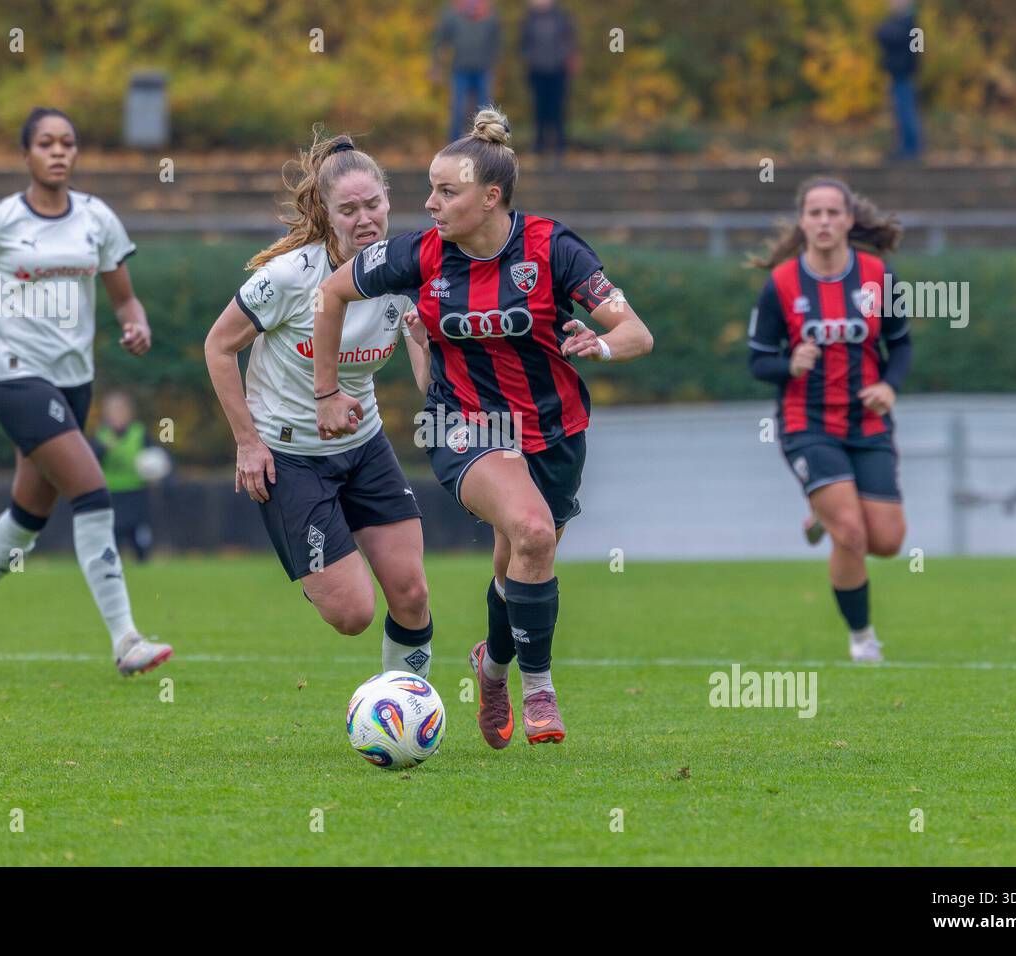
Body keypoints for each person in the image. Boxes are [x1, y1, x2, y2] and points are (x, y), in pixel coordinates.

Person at [312, 108, 654, 747]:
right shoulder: (419, 253)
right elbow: (331, 295)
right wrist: (326, 392)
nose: (429, 203)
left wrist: (601, 346)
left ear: (490, 196)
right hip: (462, 424)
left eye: (447, 191)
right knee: (530, 531)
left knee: (520, 560)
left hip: (554, 431)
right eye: (429, 189)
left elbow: (637, 331)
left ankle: (491, 669)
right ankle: (541, 691)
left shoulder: (553, 248)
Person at [0, 108, 172, 677]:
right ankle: (125, 639)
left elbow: (124, 299)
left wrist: (137, 323)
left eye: (68, 142)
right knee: (91, 492)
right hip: (15, 378)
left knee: (29, 516)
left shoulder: (97, 219)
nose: (58, 151)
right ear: (27, 154)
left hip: (73, 382)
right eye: (46, 143)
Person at [204, 128, 436, 678]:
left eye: (373, 204)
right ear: (327, 214)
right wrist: (246, 442)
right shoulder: (289, 277)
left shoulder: (409, 272)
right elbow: (218, 346)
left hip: (364, 445)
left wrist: (426, 344)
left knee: (411, 592)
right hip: (290, 457)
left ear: (388, 202)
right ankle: (319, 568)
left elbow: (430, 388)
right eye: (348, 208)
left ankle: (406, 708)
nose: (364, 218)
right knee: (353, 613)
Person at [747, 176, 913, 663]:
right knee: (852, 534)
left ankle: (822, 512)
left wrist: (889, 386)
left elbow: (900, 345)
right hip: (807, 424)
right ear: (802, 221)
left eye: (832, 212)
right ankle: (863, 639)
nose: (823, 221)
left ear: (849, 220)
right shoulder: (780, 284)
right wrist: (789, 364)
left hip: (868, 424)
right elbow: (758, 361)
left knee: (886, 541)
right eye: (814, 213)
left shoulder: (878, 275)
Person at [90, 391, 155, 563]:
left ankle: (143, 562)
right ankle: (110, 566)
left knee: (138, 533)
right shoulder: (101, 435)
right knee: (113, 534)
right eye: (114, 410)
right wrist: (103, 448)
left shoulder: (139, 432)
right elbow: (90, 460)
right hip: (111, 494)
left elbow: (154, 457)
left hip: (136, 491)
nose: (118, 414)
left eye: (121, 410)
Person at [431, 0, 501, 143]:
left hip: (484, 70)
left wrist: (495, 66)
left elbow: (496, 43)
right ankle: (454, 146)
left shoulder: (489, 14)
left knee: (485, 112)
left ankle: (486, 145)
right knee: (458, 110)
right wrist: (437, 65)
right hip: (460, 69)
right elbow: (440, 40)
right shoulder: (454, 13)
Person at [521, 0, 578, 159]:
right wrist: (530, 58)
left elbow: (569, 39)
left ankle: (560, 145)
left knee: (558, 108)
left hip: (557, 69)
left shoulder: (561, 17)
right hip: (537, 70)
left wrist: (567, 57)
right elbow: (524, 43)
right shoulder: (529, 19)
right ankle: (539, 144)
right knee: (539, 108)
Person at [876, 0, 923, 161]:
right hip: (898, 73)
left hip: (904, 74)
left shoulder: (910, 24)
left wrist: (910, 68)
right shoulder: (902, 23)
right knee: (900, 112)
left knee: (906, 112)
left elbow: (916, 49)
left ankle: (911, 149)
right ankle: (905, 147)